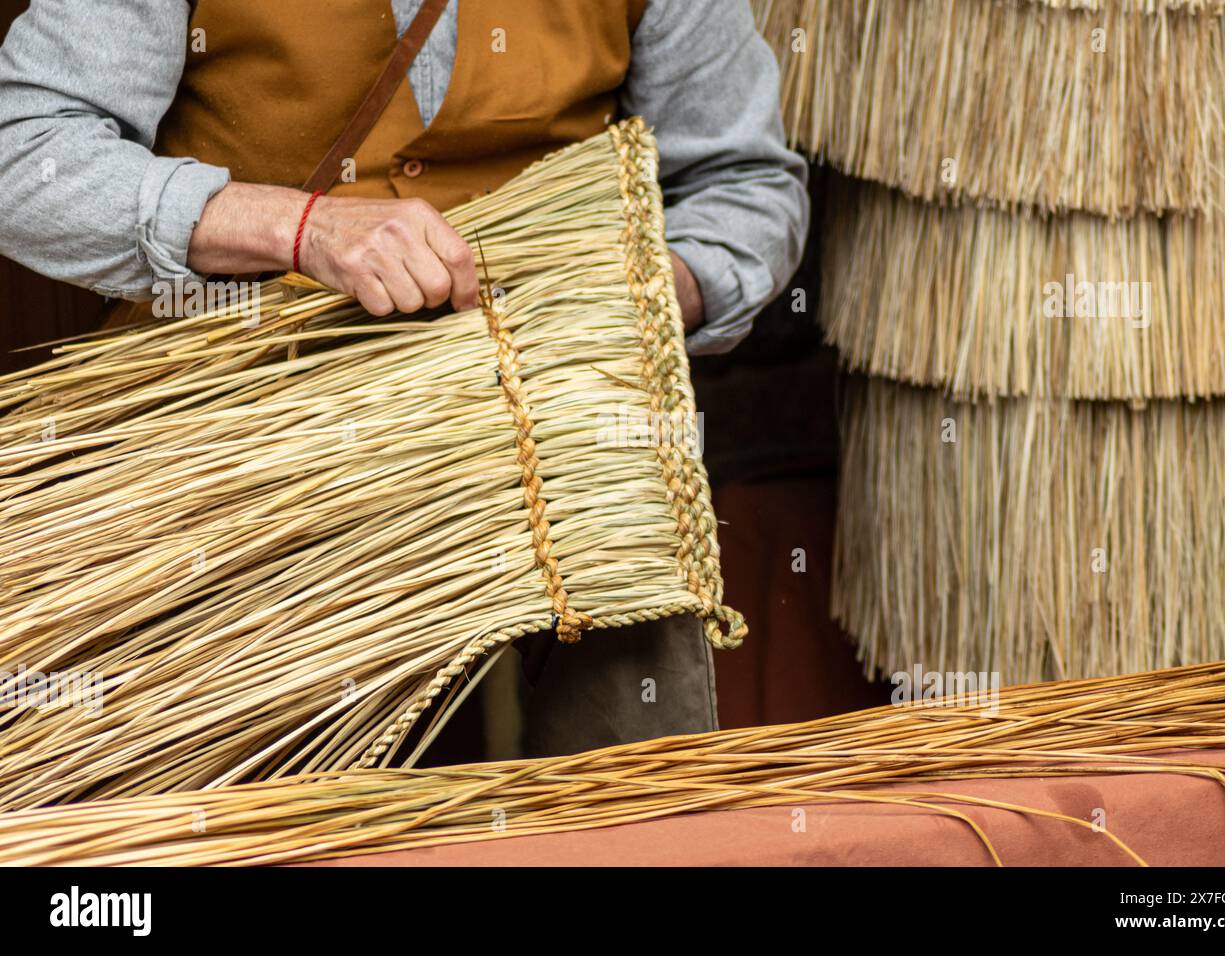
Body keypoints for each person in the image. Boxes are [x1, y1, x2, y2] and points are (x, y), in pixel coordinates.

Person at [0, 0, 809, 756]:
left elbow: (744, 188)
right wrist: (297, 228)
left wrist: (628, 288)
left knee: (618, 804)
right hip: (241, 457)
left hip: (565, 470)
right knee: (253, 822)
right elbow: (24, 150)